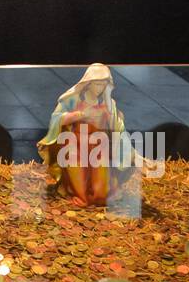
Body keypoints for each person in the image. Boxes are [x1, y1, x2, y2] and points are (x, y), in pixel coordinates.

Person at [38, 64, 135, 206]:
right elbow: (56, 118)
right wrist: (78, 115)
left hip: (99, 147)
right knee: (77, 176)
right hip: (75, 146)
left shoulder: (109, 103)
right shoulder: (72, 100)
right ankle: (74, 191)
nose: (99, 88)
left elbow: (117, 127)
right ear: (88, 84)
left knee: (101, 190)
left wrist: (132, 152)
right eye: (97, 84)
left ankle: (101, 194)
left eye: (103, 85)